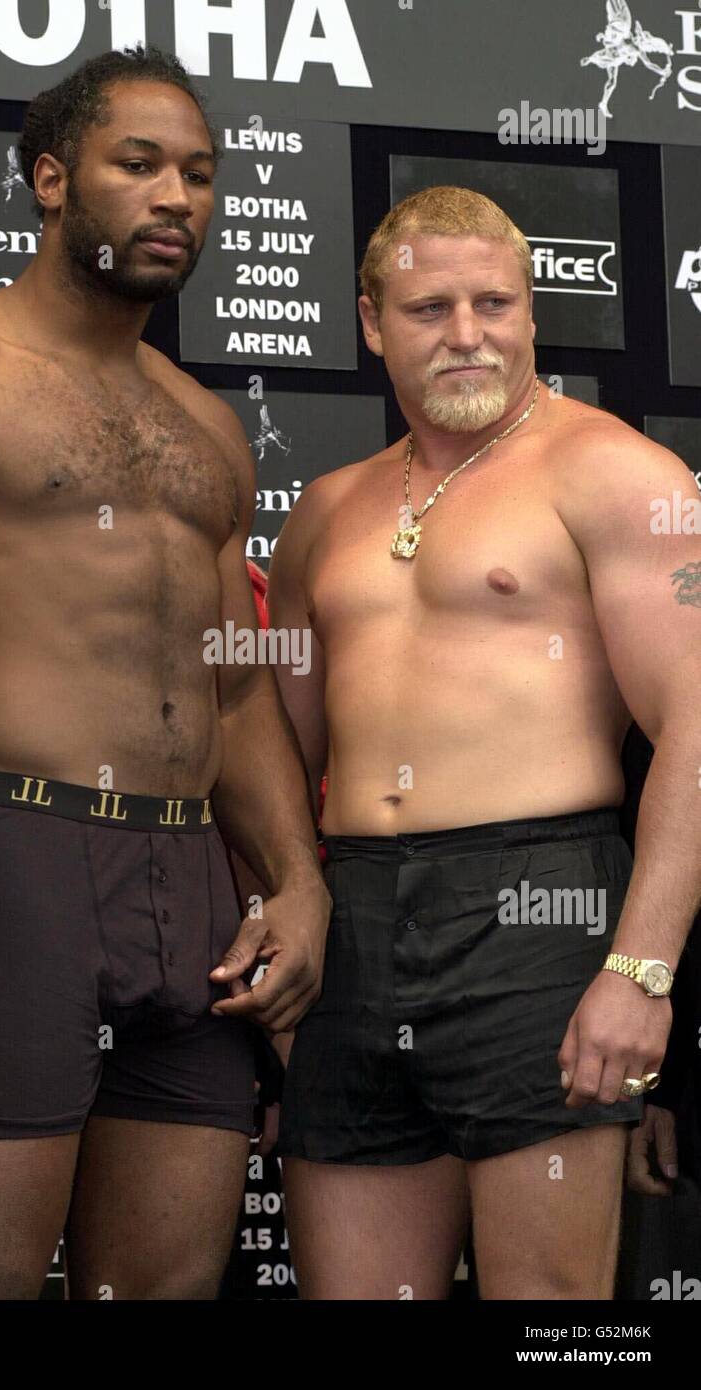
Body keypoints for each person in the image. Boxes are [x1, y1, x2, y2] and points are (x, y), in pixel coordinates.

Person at [0, 46, 328, 1300]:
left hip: (189, 887)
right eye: (138, 164)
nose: (177, 198)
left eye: (200, 174)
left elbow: (237, 678)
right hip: (11, 855)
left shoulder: (203, 423)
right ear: (50, 179)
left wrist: (298, 880)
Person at [269, 185, 701, 1300]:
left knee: (547, 1313)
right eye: (427, 309)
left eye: (492, 303)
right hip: (353, 915)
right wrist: (282, 901)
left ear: (528, 310)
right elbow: (271, 749)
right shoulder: (326, 508)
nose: (466, 333)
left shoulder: (612, 474)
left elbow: (697, 726)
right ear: (370, 322)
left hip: (537, 905)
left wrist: (640, 970)